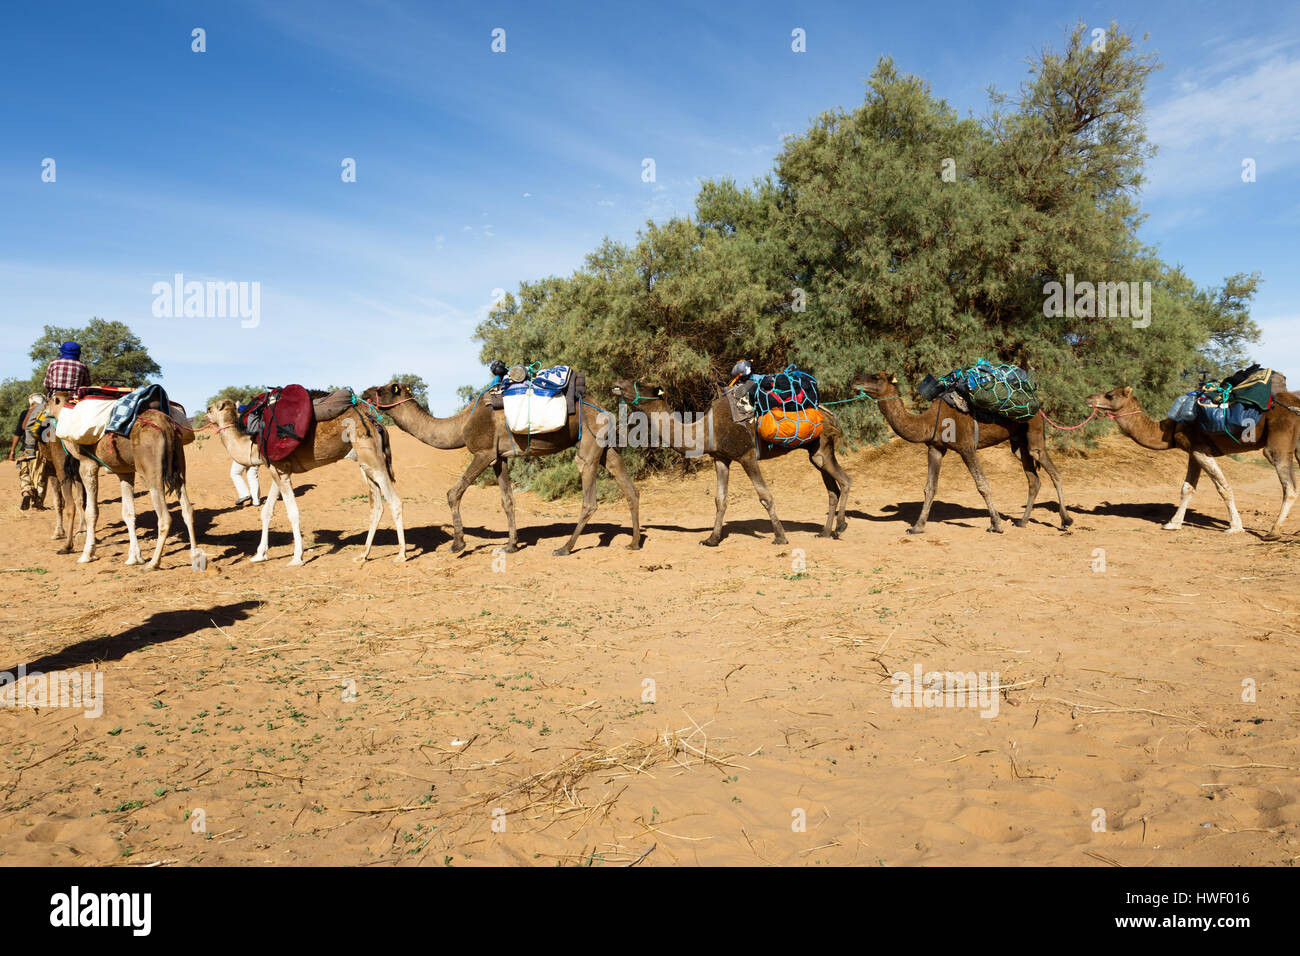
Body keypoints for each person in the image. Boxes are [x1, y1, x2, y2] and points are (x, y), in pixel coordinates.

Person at [9, 395, 48, 510]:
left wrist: (12, 451)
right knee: (40, 475)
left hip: (26, 449)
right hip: (41, 450)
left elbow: (18, 433)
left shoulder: (25, 413)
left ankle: (26, 492)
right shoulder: (46, 413)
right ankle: (38, 503)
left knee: (25, 473)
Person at [230, 401, 260, 506]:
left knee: (235, 473)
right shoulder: (255, 420)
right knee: (252, 475)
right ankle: (256, 501)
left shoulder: (240, 423)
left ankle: (244, 494)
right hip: (256, 449)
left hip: (243, 451)